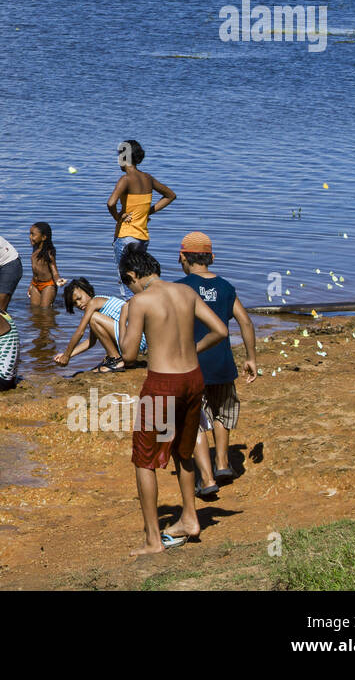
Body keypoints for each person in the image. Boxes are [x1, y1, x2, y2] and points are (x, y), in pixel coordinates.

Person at [118, 248, 228, 556]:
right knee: (184, 449)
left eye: (129, 285)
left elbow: (127, 355)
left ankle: (154, 539)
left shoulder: (140, 301)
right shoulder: (185, 291)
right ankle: (190, 519)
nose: (131, 290)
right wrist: (194, 347)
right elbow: (220, 330)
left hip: (162, 384)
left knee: (144, 459)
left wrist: (127, 316)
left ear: (132, 276)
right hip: (193, 378)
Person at [173, 232, 258, 495]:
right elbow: (245, 321)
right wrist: (251, 357)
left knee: (195, 419)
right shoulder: (226, 287)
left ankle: (207, 479)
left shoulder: (180, 288)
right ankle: (223, 464)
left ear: (183, 257)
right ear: (212, 257)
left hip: (193, 364)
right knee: (222, 413)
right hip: (222, 363)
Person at [107, 139, 175, 298]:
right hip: (142, 237)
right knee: (140, 278)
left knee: (126, 280)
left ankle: (130, 316)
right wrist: (146, 212)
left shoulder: (125, 179)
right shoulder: (148, 179)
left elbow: (111, 203)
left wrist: (117, 217)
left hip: (125, 236)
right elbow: (170, 195)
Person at [54, 277, 145, 371]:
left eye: (79, 298)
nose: (79, 304)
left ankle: (115, 359)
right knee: (93, 318)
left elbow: (80, 332)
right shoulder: (99, 307)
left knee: (93, 317)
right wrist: (67, 355)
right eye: (75, 303)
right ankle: (115, 358)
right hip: (135, 341)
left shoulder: (93, 303)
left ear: (88, 291)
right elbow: (91, 342)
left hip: (136, 341)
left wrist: (66, 356)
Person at [28, 221, 62, 307]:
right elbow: (35, 271)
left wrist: (58, 280)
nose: (30, 237)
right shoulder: (35, 249)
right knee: (34, 309)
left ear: (43, 237)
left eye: (33, 234)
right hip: (35, 284)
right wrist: (31, 285)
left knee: (45, 310)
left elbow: (54, 270)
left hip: (48, 285)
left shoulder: (48, 253)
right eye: (30, 234)